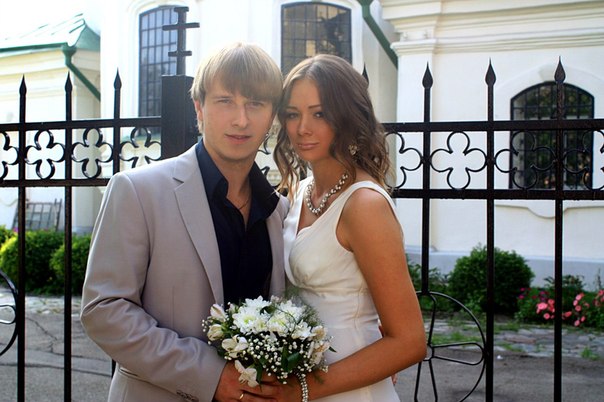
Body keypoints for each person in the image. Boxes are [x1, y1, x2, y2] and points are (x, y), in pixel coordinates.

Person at [80, 42, 289, 402]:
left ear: (272, 115)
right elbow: (104, 310)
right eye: (225, 101)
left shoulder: (279, 210)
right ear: (199, 108)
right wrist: (208, 376)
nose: (241, 119)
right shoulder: (138, 191)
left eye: (255, 103)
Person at [273, 54, 427, 401]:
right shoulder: (300, 191)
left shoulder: (364, 205)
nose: (302, 128)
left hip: (352, 391)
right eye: (293, 114)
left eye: (319, 113)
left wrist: (301, 390)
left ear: (347, 117)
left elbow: (410, 341)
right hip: (304, 381)